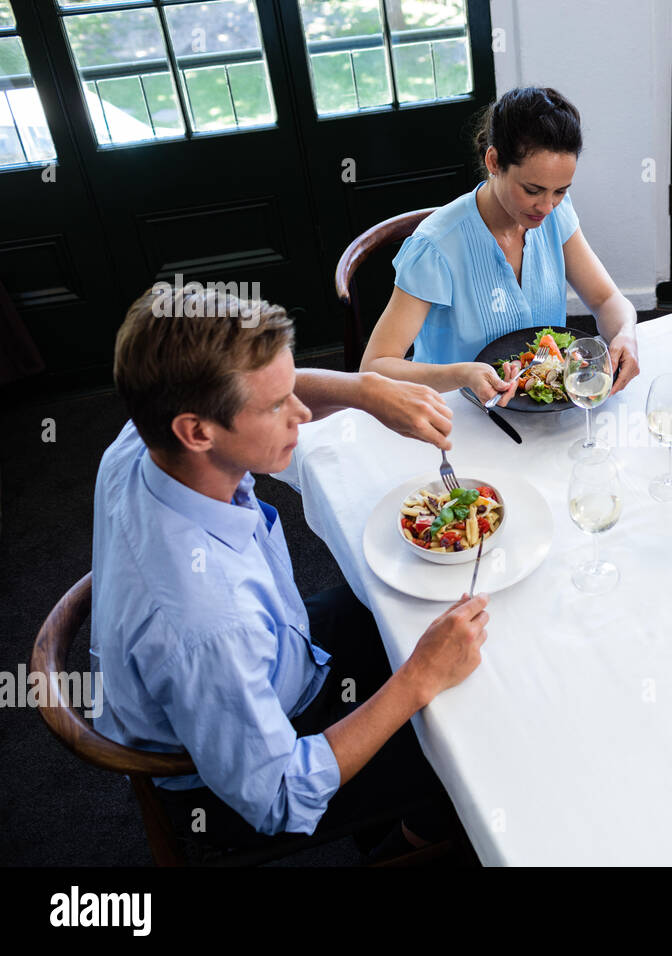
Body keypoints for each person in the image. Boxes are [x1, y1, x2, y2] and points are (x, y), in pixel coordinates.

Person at [92, 281, 489, 862]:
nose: (303, 413)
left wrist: (364, 390)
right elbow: (277, 795)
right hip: (239, 777)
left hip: (276, 657)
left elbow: (258, 387)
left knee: (406, 606)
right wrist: (418, 678)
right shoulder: (207, 622)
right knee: (471, 743)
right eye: (278, 407)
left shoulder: (142, 436)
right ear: (197, 431)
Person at [362, 86, 640, 405]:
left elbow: (606, 300)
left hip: (541, 407)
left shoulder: (556, 214)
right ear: (494, 161)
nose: (547, 207)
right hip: (456, 413)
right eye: (532, 190)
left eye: (560, 191)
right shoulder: (436, 246)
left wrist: (626, 334)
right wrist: (461, 374)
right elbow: (375, 367)